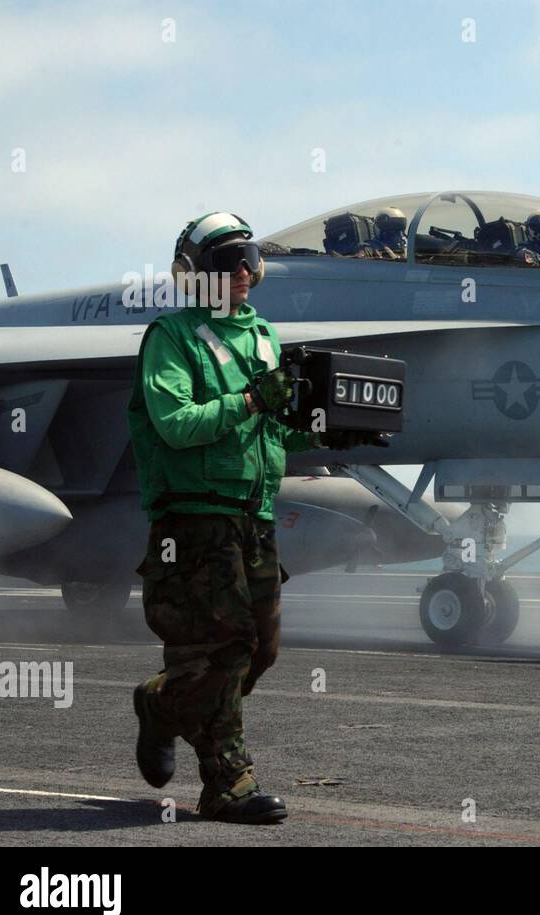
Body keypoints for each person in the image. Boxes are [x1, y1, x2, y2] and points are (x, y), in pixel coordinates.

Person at [127, 212, 380, 823]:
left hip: (255, 517)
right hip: (196, 520)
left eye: (248, 259)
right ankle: (228, 785)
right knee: (227, 645)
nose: (243, 271)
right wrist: (249, 399)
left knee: (261, 650)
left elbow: (265, 432)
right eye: (228, 262)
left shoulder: (263, 336)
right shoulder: (172, 337)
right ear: (198, 274)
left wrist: (323, 433)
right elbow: (176, 425)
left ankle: (161, 705)